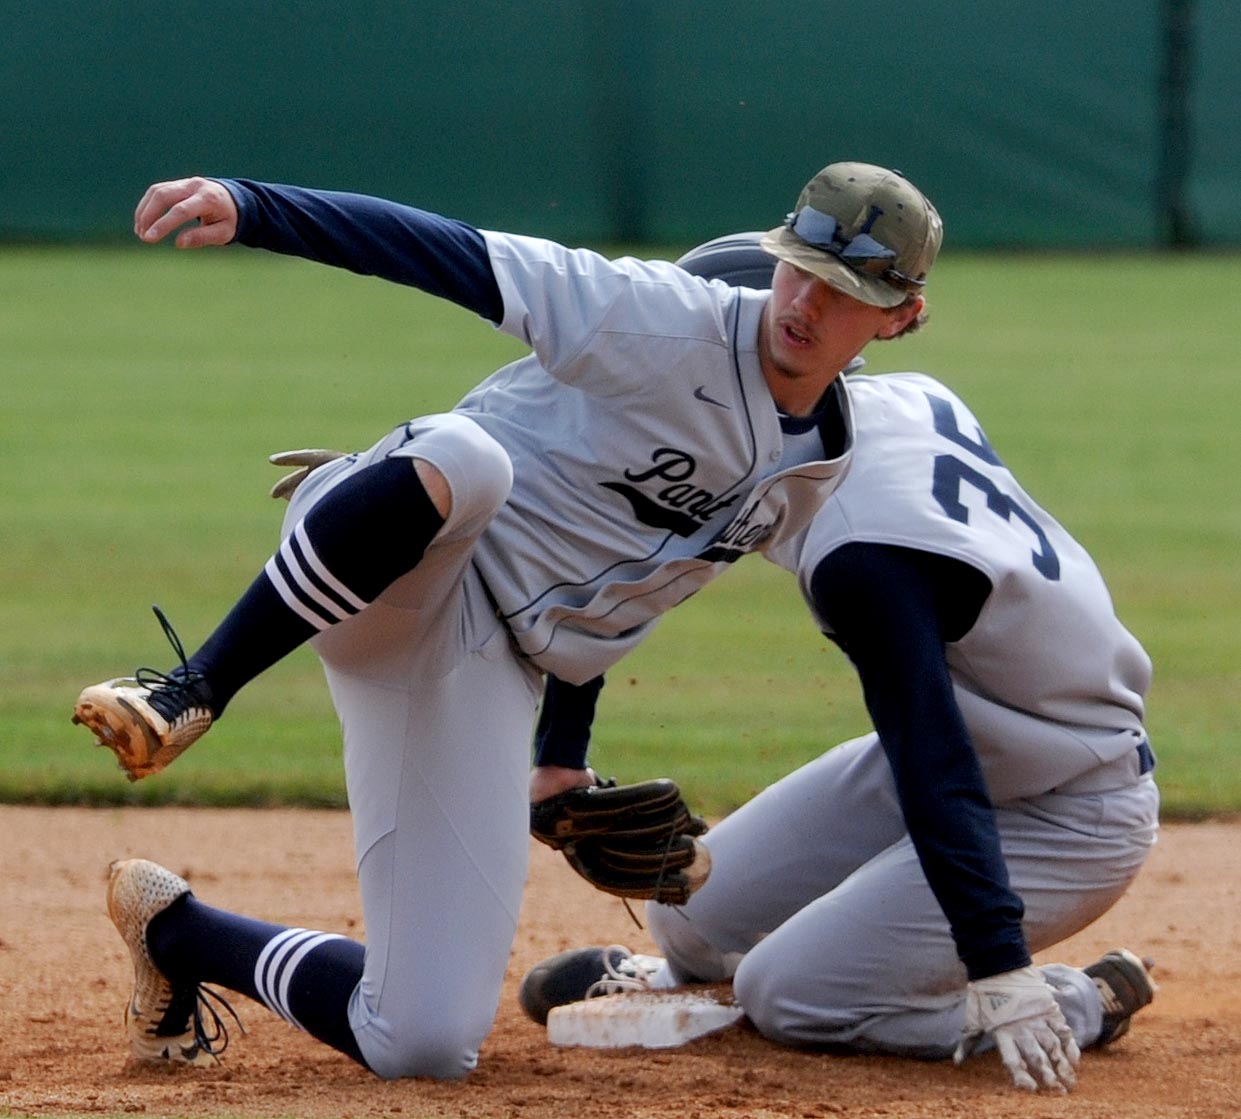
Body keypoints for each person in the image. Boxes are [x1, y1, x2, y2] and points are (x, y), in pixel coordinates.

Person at [72, 163, 941, 1080]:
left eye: (844, 289)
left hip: (479, 663)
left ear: (898, 315)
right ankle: (192, 687)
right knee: (470, 456)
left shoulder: (816, 467)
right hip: (394, 555)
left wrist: (561, 759)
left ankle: (177, 933)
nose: (804, 299)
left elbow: (619, 600)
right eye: (798, 266)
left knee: (423, 1038)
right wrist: (253, 206)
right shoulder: (652, 315)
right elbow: (439, 250)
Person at [519, 234, 1160, 1094]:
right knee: (689, 917)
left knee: (792, 996)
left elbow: (933, 755)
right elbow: (622, 566)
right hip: (978, 739)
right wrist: (559, 754)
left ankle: (1072, 999)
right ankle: (697, 971)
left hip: (1070, 803)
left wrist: (997, 959)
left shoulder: (862, 546)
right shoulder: (874, 409)